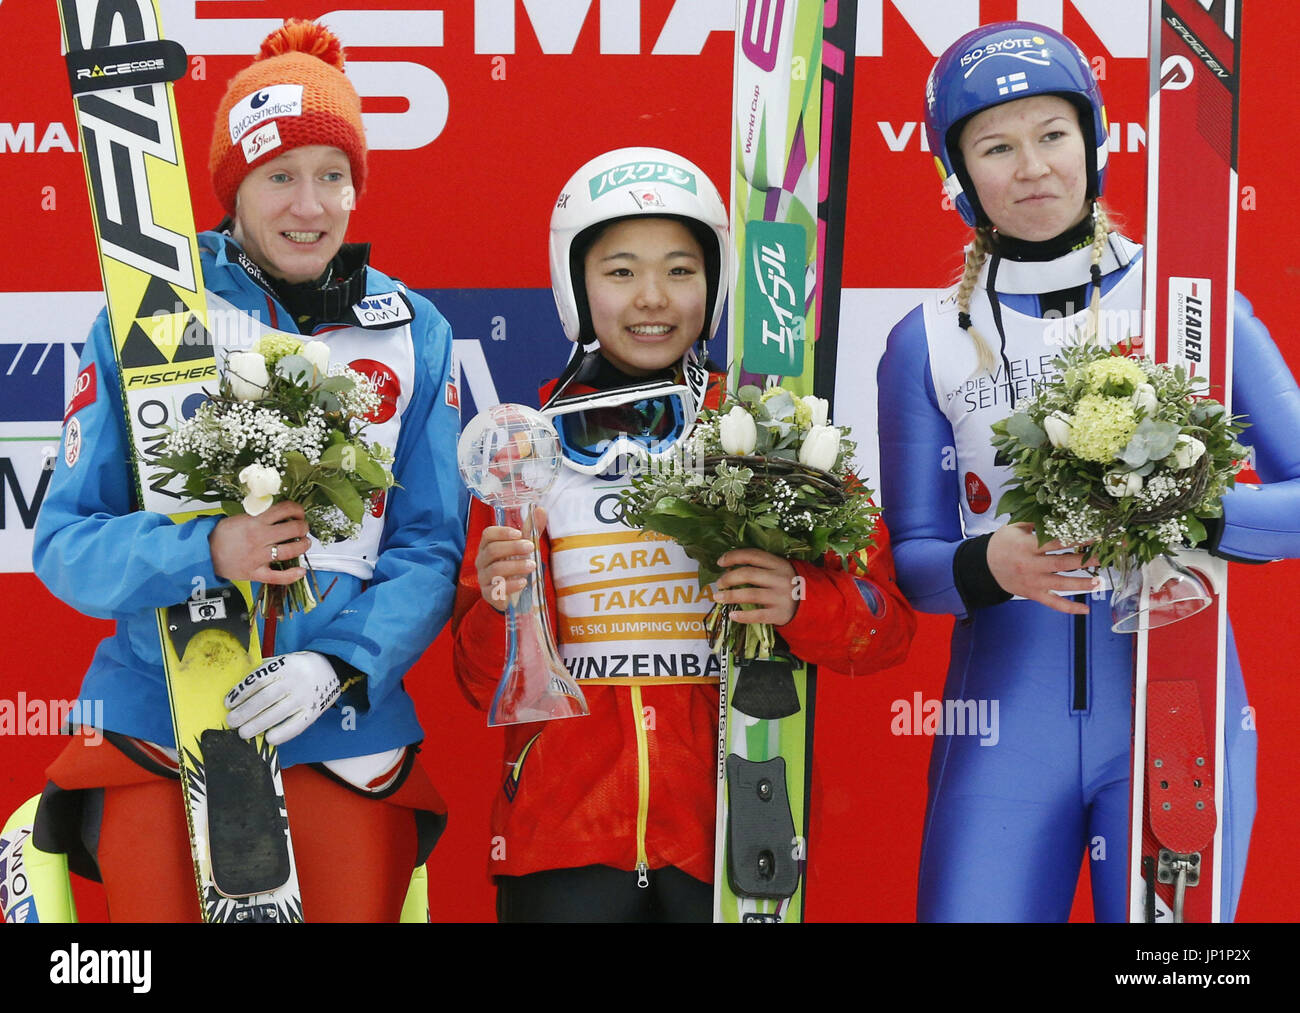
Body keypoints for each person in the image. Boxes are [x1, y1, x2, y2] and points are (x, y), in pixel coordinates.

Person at [31, 19, 465, 922]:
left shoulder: (414, 332)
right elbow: (67, 544)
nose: (310, 205)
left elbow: (429, 546)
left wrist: (339, 666)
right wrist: (208, 547)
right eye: (279, 177)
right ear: (235, 189)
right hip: (159, 715)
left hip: (340, 731)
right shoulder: (150, 310)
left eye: (332, 176)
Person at [877, 21, 1300, 922]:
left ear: (1096, 141)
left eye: (1053, 135)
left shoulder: (1196, 297)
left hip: (1174, 718)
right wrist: (990, 565)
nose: (1031, 167)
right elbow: (911, 557)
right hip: (1001, 729)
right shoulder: (926, 339)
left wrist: (1199, 510)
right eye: (997, 145)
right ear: (959, 175)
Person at [452, 146, 915, 922]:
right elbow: (480, 682)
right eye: (621, 271)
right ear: (576, 285)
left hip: (731, 827)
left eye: (680, 269)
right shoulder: (522, 452)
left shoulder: (773, 433)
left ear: (716, 283)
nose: (653, 298)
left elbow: (885, 623)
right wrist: (501, 609)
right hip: (563, 838)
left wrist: (799, 596)